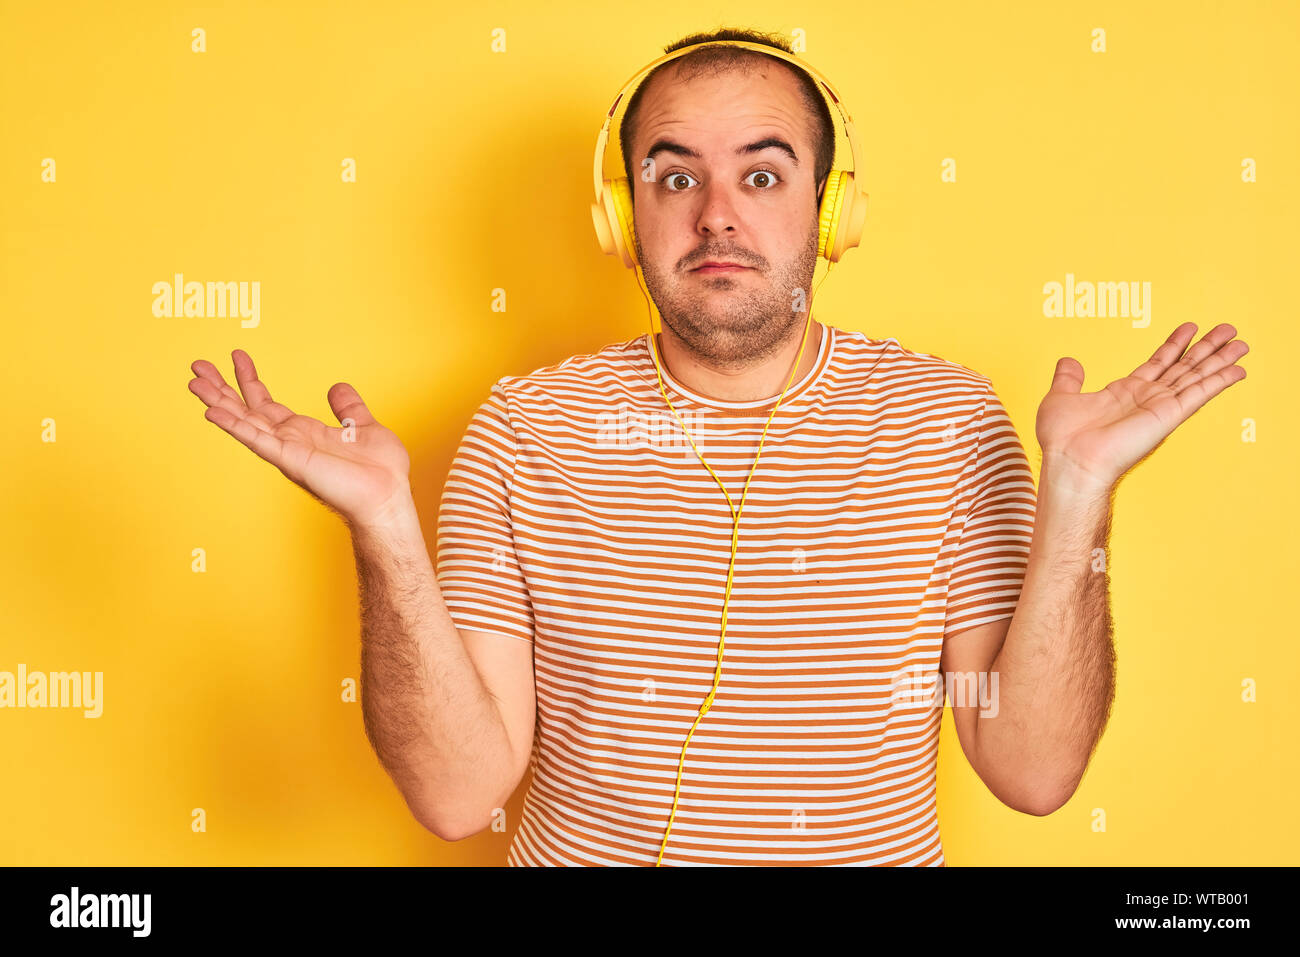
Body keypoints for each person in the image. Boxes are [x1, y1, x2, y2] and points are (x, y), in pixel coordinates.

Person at [187, 28, 1249, 866]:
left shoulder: (949, 420)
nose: (717, 218)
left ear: (832, 212)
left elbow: (1033, 772)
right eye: (675, 176)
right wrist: (382, 532)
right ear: (624, 217)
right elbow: (459, 798)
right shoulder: (521, 429)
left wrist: (1079, 502)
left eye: (764, 173)